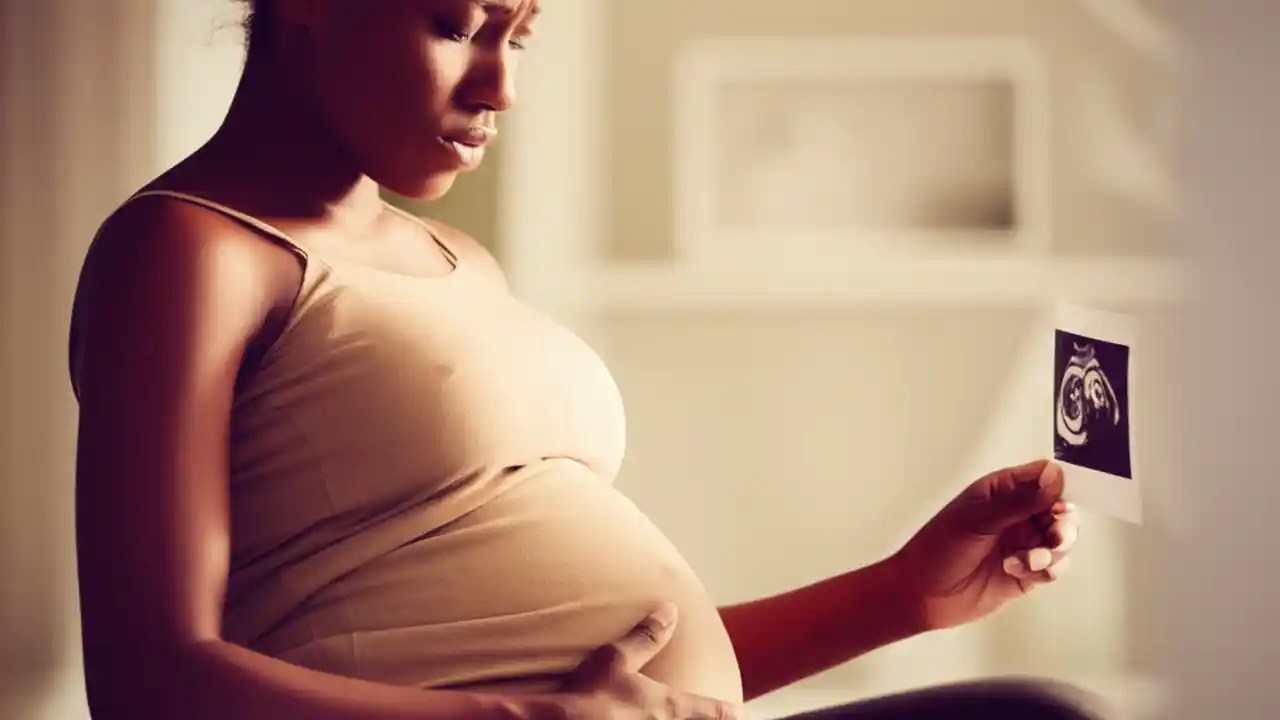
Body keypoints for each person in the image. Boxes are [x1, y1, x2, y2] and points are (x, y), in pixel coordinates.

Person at [67, 1, 1098, 718]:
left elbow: (614, 682)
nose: (501, 88)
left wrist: (903, 595)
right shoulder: (189, 251)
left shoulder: (460, 262)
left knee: (1040, 713)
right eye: (457, 26)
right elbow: (149, 685)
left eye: (519, 36)